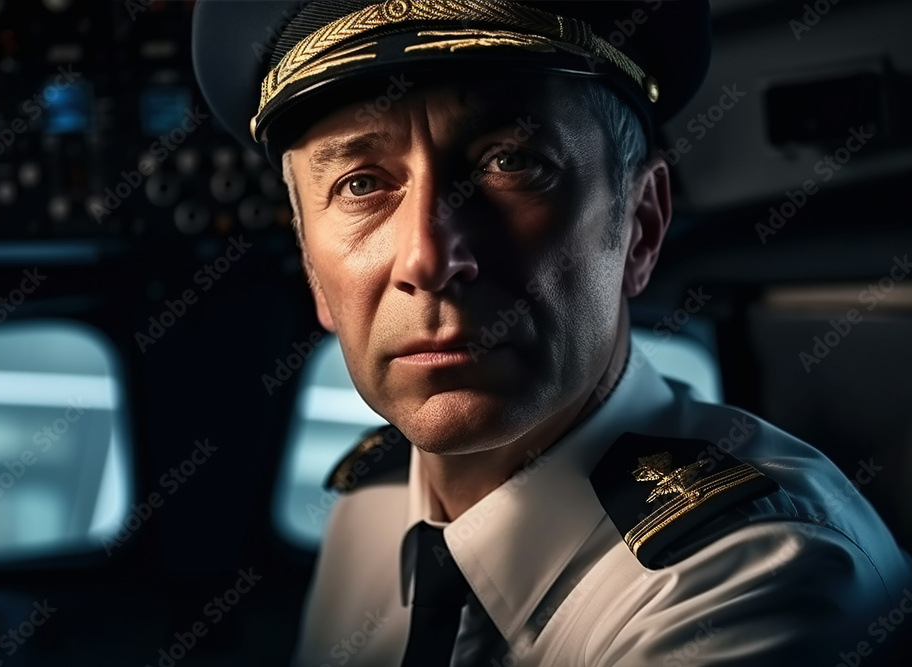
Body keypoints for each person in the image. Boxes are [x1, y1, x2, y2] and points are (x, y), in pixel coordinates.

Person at [192, 1, 912, 664]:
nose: (429, 258)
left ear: (640, 227)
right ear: (315, 273)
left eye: (510, 162)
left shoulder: (759, 579)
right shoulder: (370, 510)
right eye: (361, 184)